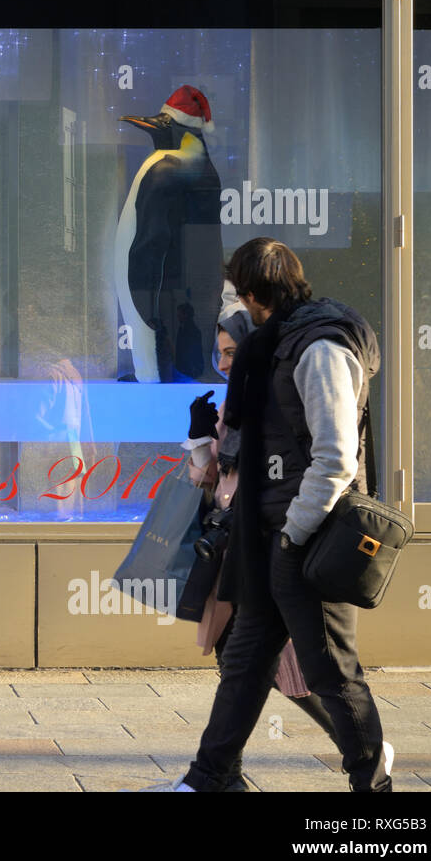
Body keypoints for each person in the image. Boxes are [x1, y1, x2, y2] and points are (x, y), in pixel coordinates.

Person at [163, 238, 392, 792]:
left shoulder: (320, 348)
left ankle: (376, 792)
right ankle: (209, 780)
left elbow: (335, 458)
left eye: (237, 292)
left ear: (253, 293)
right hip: (269, 535)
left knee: (331, 672)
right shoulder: (279, 344)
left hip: (305, 539)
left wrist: (292, 536)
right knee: (243, 664)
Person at [156, 285, 342, 791]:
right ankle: (224, 773)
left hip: (264, 545)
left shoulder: (273, 397)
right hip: (228, 546)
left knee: (280, 669)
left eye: (232, 352)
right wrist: (200, 438)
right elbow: (208, 478)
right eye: (218, 354)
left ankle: (359, 748)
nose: (223, 362)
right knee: (236, 659)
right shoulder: (232, 406)